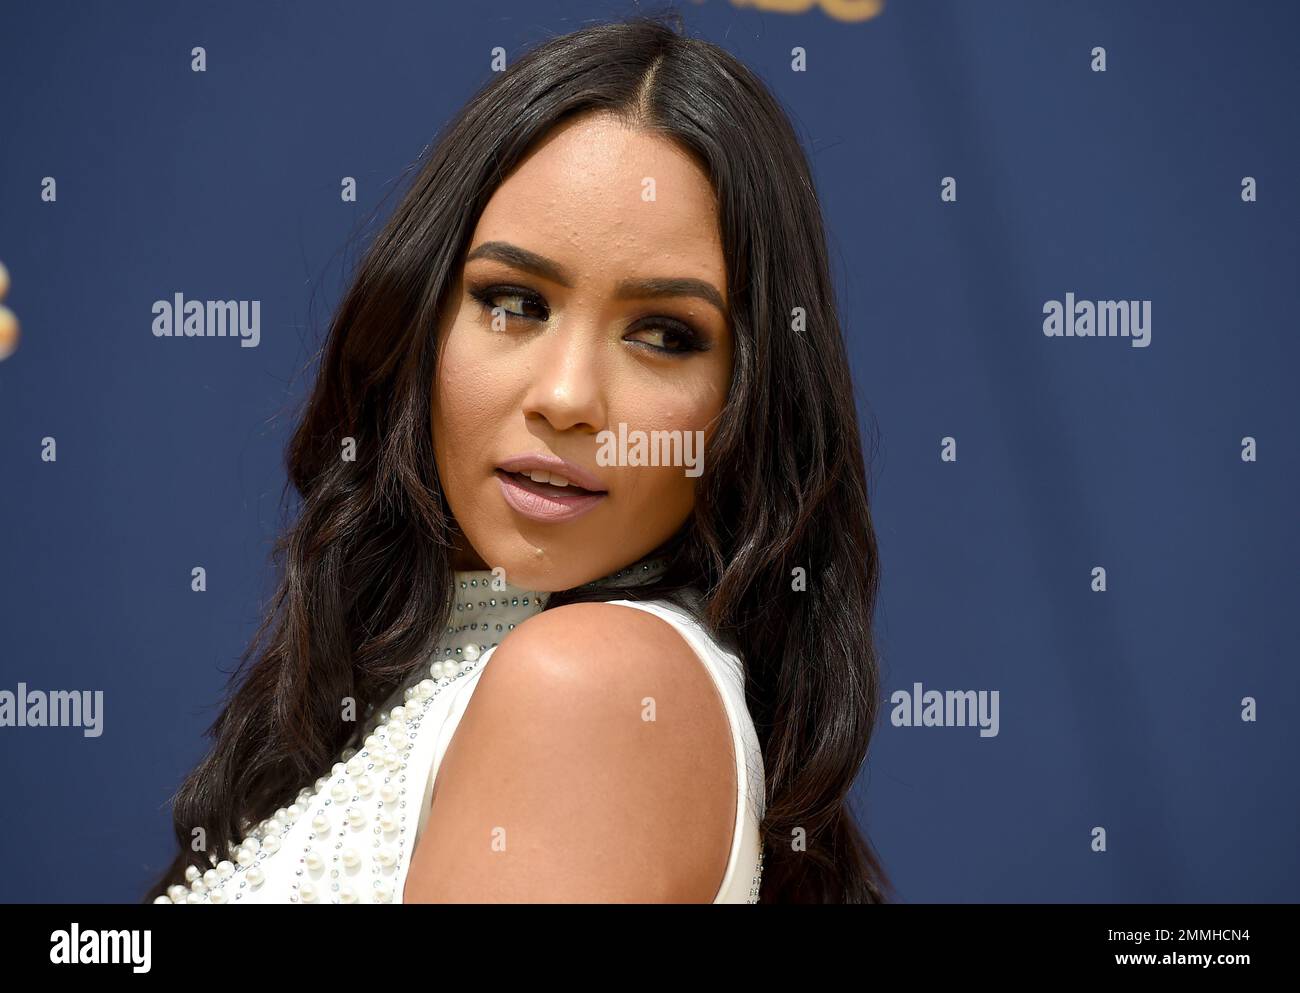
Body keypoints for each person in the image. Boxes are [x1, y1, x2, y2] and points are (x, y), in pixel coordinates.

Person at [146, 12, 890, 905]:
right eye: (515, 301)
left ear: (750, 395)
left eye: (663, 333)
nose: (568, 396)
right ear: (421, 323)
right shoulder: (413, 680)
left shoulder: (597, 686)